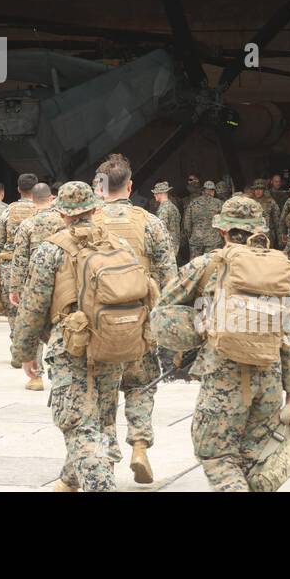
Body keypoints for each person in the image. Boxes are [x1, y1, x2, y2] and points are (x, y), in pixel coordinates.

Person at [12, 181, 155, 492]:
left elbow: (32, 307)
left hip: (71, 349)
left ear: (61, 213)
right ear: (93, 208)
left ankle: (100, 486)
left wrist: (24, 353)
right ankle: (69, 480)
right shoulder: (119, 244)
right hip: (114, 344)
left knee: (77, 425)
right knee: (101, 421)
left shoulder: (51, 249)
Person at [152, 195, 290, 491]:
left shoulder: (209, 264)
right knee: (255, 461)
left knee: (216, 455)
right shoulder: (283, 269)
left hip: (224, 377)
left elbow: (162, 309)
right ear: (261, 230)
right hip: (269, 378)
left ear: (223, 231)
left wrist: (200, 325)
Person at [95, 154, 178, 484]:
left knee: (101, 396)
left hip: (100, 326)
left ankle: (106, 455)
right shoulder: (150, 221)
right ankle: (140, 446)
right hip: (140, 321)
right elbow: (170, 278)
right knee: (141, 387)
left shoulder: (88, 222)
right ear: (130, 185)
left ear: (100, 187)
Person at [8, 184, 61, 389]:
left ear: (32, 200)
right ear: (51, 198)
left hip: (34, 285)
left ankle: (36, 376)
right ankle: (59, 372)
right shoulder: (62, 221)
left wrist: (15, 288)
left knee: (34, 326)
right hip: (61, 283)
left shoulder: (27, 225)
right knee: (60, 327)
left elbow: (19, 260)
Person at [0, 173, 42, 363]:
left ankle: (18, 351)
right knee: (36, 310)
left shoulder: (8, 212)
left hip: (9, 267)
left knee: (13, 310)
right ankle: (33, 353)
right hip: (36, 267)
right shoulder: (42, 211)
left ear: (18, 190)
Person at [183, 180, 222, 258]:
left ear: (203, 190)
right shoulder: (219, 203)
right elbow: (223, 222)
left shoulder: (193, 202)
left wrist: (191, 235)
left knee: (195, 264)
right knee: (210, 264)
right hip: (213, 240)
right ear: (213, 191)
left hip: (196, 239)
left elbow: (187, 223)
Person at [152, 182, 181, 259]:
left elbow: (160, 229)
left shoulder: (164, 209)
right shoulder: (173, 207)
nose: (154, 195)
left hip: (166, 246)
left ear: (160, 193)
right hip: (174, 244)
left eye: (155, 193)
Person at [248, 179, 280, 245]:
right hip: (253, 235)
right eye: (256, 189)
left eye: (260, 189)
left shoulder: (270, 202)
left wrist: (279, 238)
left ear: (264, 190)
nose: (258, 191)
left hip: (267, 236)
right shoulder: (249, 202)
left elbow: (277, 221)